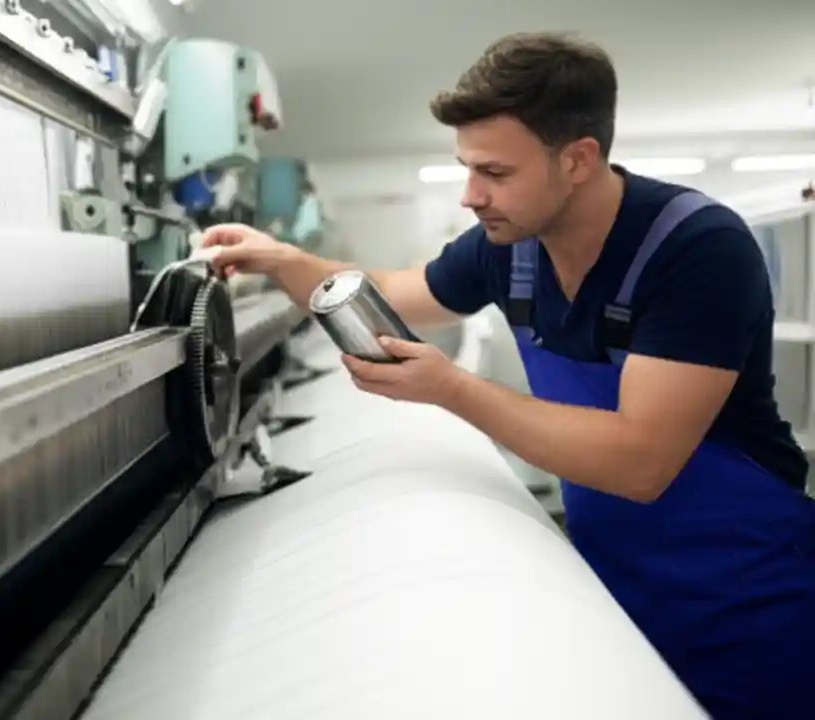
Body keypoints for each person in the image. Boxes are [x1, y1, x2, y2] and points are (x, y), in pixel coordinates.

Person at [201, 32, 815, 719]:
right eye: (465, 168)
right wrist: (280, 259)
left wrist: (453, 389)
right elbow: (393, 291)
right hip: (614, 578)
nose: (471, 195)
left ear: (577, 160)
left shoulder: (697, 250)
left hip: (747, 596)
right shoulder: (509, 248)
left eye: (494, 172)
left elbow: (643, 462)